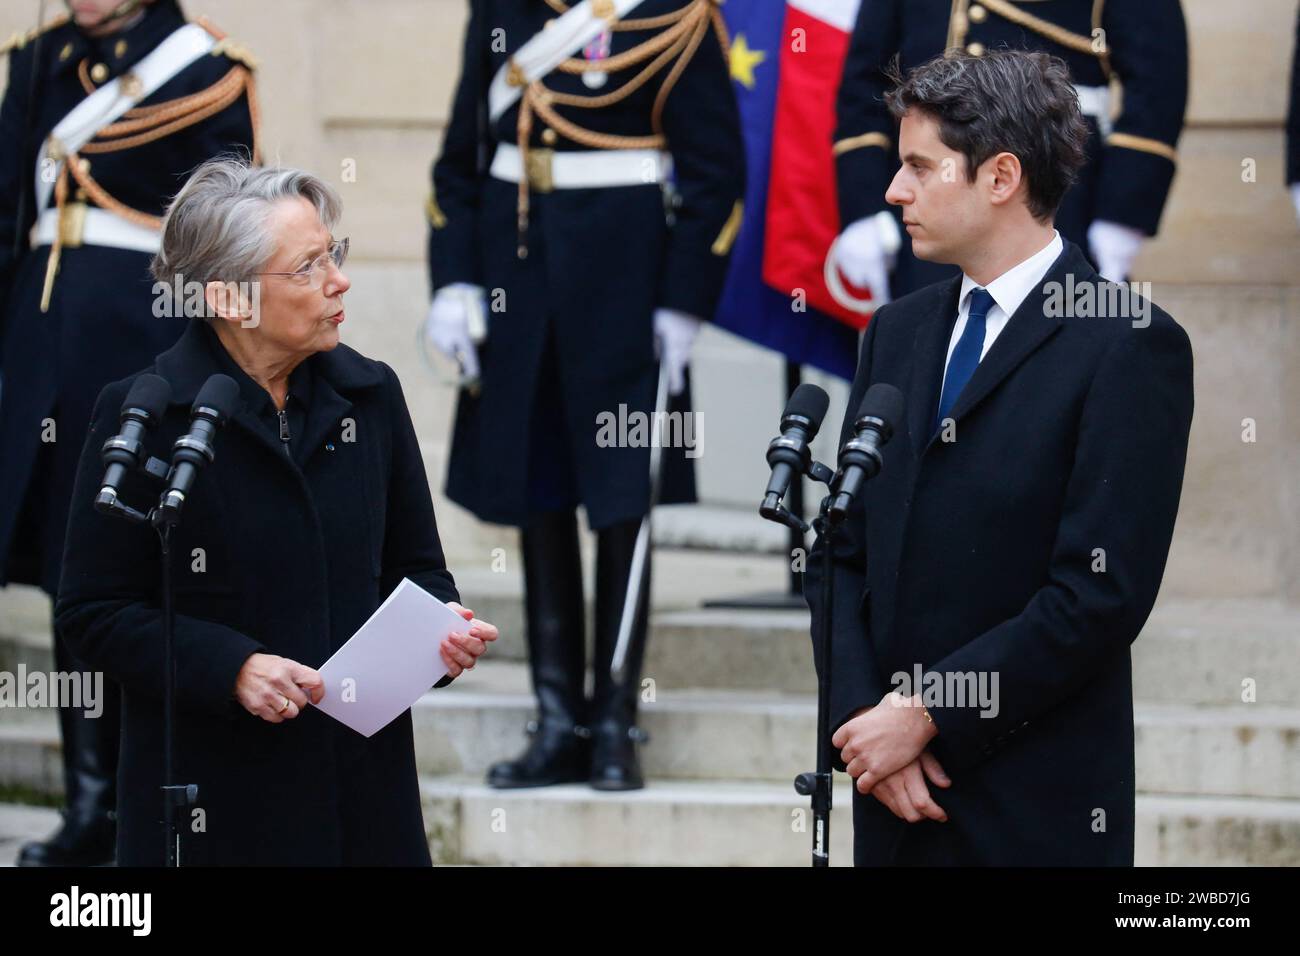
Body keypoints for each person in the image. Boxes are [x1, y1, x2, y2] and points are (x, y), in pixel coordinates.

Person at [804, 50, 1194, 866]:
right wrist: (869, 732)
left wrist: (926, 715)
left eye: (918, 166)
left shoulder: (1129, 345)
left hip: (1035, 806)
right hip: (894, 799)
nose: (892, 190)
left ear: (1001, 176)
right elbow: (842, 552)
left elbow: (1097, 595)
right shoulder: (895, 332)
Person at [55, 159, 498, 866]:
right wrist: (231, 667)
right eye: (307, 267)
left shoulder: (370, 396)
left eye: (335, 254)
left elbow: (417, 571)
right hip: (218, 806)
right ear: (229, 299)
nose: (339, 280)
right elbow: (94, 611)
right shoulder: (148, 411)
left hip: (363, 800)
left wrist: (444, 637)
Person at [423, 0, 744, 790]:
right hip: (515, 273)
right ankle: (557, 718)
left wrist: (683, 300)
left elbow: (717, 174)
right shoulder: (502, 10)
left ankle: (613, 724)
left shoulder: (678, 16)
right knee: (538, 494)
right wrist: (454, 279)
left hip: (626, 283)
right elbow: (460, 160)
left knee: (619, 497)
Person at [0, 0, 260, 866]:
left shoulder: (203, 66)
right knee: (68, 583)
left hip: (137, 346)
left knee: (141, 577)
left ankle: (148, 805)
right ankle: (91, 806)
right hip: (38, 349)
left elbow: (224, 230)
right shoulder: (37, 60)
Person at [829, 0, 1188, 303]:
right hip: (926, 193)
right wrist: (864, 208)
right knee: (924, 356)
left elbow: (1157, 80)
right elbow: (867, 80)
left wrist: (1121, 214)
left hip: (1055, 187)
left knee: (1059, 358)